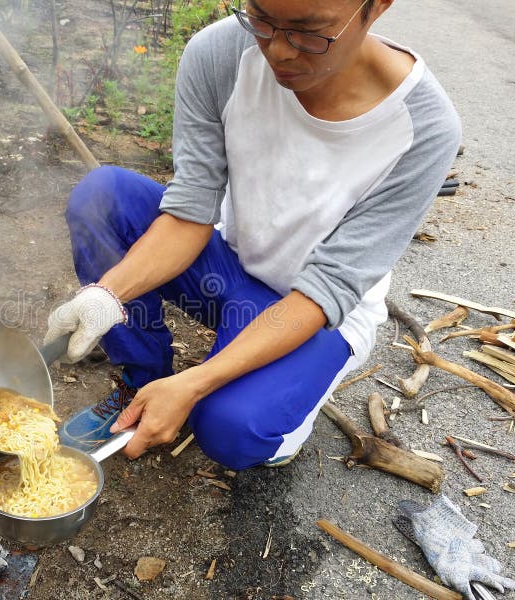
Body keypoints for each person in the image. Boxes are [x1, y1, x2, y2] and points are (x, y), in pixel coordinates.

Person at [43, 0, 461, 470]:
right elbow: (191, 210)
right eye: (260, 18)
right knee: (104, 194)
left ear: (376, 7)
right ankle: (144, 384)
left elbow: (326, 290)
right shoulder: (221, 53)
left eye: (309, 31)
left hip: (319, 314)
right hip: (231, 270)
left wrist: (198, 382)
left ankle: (279, 400)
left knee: (231, 430)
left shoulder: (421, 127)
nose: (278, 51)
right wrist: (107, 294)